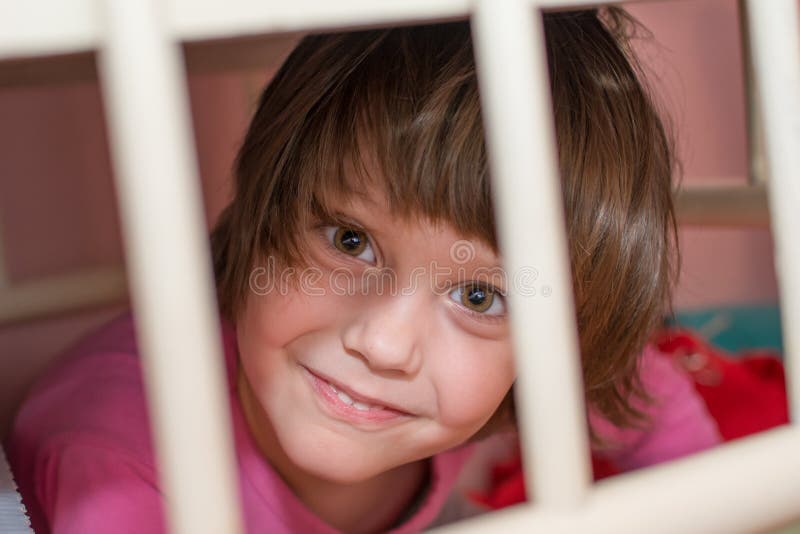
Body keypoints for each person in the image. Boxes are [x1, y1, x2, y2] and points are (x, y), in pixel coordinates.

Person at [5, 8, 720, 534]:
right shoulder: (124, 467)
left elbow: (658, 417)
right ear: (266, 205)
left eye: (479, 295)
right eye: (349, 241)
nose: (383, 344)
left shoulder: (545, 364)